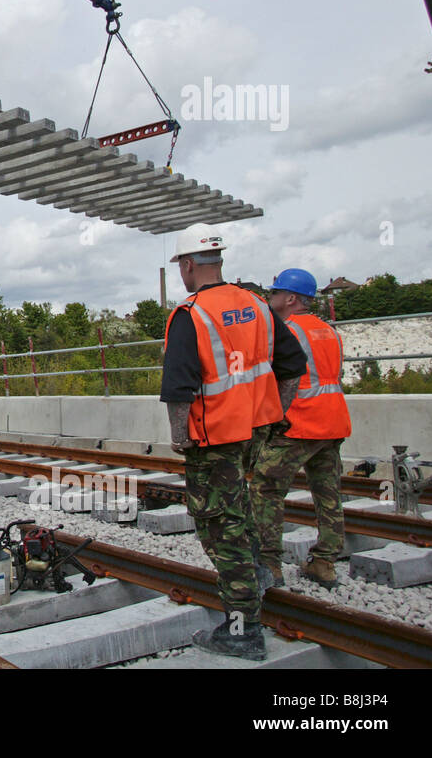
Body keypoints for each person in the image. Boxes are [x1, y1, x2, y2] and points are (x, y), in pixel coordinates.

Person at [160, 224, 306, 660]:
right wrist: (274, 414)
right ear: (217, 260)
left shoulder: (191, 314)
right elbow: (293, 367)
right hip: (256, 431)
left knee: (222, 527)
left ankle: (243, 630)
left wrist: (181, 439)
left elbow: (179, 389)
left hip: (214, 438)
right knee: (241, 510)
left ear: (187, 265)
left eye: (181, 267)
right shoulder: (258, 306)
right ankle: (259, 571)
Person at [251, 268, 352, 589]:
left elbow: (277, 381)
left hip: (299, 423)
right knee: (328, 493)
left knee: (266, 488)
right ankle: (325, 562)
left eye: (275, 293)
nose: (271, 298)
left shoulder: (287, 333)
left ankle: (269, 563)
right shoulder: (329, 331)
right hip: (334, 422)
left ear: (291, 299)